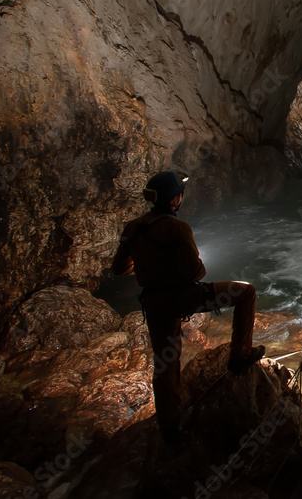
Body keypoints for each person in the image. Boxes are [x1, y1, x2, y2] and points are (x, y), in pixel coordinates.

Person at [111, 171, 265, 444]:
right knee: (246, 292)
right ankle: (240, 355)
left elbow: (119, 268)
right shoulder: (177, 228)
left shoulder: (133, 228)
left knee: (165, 363)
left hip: (153, 302)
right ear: (175, 199)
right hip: (184, 297)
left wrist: (147, 266)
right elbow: (196, 271)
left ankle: (170, 429)